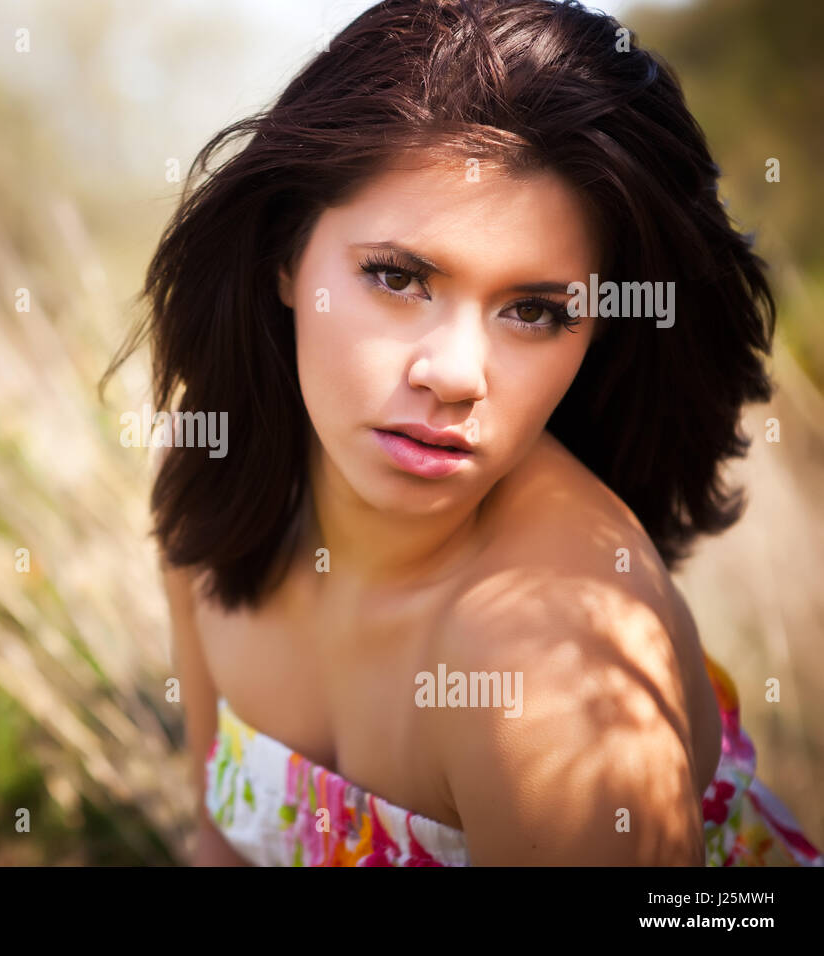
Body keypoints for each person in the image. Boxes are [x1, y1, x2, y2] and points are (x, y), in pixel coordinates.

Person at [100, 0, 823, 865]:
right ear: (286, 256)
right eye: (398, 277)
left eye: (535, 311)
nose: (455, 373)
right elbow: (218, 839)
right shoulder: (221, 475)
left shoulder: (550, 662)